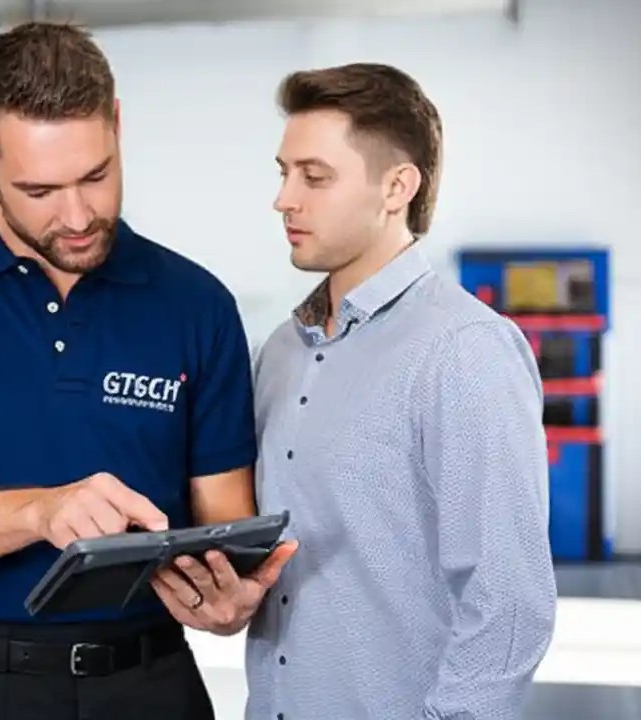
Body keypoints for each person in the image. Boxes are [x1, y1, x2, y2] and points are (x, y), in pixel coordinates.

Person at [0, 20, 295, 720]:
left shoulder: (197, 305)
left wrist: (227, 602)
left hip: (153, 687)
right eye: (41, 190)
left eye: (97, 176)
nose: (79, 215)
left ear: (116, 125)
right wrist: (40, 512)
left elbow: (224, 521)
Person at [244, 63, 558, 720]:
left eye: (315, 176)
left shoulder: (463, 351)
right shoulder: (281, 352)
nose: (284, 199)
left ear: (397, 187)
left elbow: (508, 605)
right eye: (284, 172)